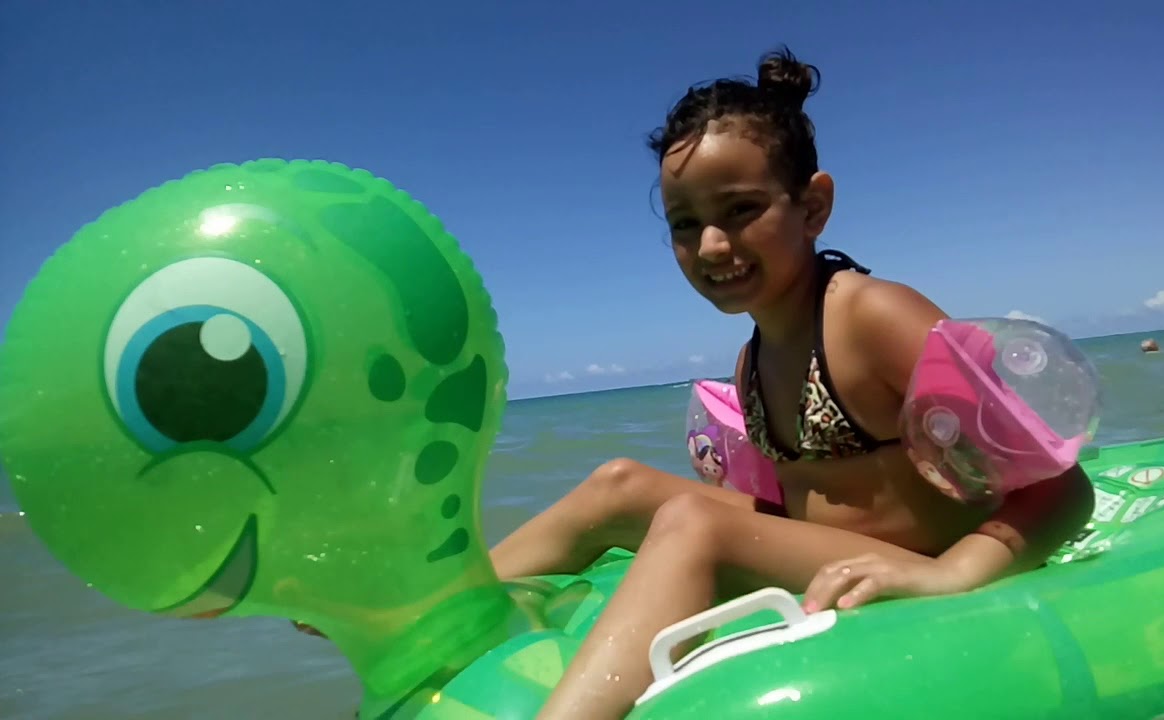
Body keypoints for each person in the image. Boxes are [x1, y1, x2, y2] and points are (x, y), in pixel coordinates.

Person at [295, 46, 1095, 720]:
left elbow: (1062, 487)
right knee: (619, 483)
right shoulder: (754, 357)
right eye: (685, 223)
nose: (713, 244)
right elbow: (794, 504)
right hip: (837, 543)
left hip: (922, 552)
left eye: (742, 209)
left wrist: (950, 574)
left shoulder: (872, 316)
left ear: (812, 206)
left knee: (691, 523)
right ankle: (422, 601)